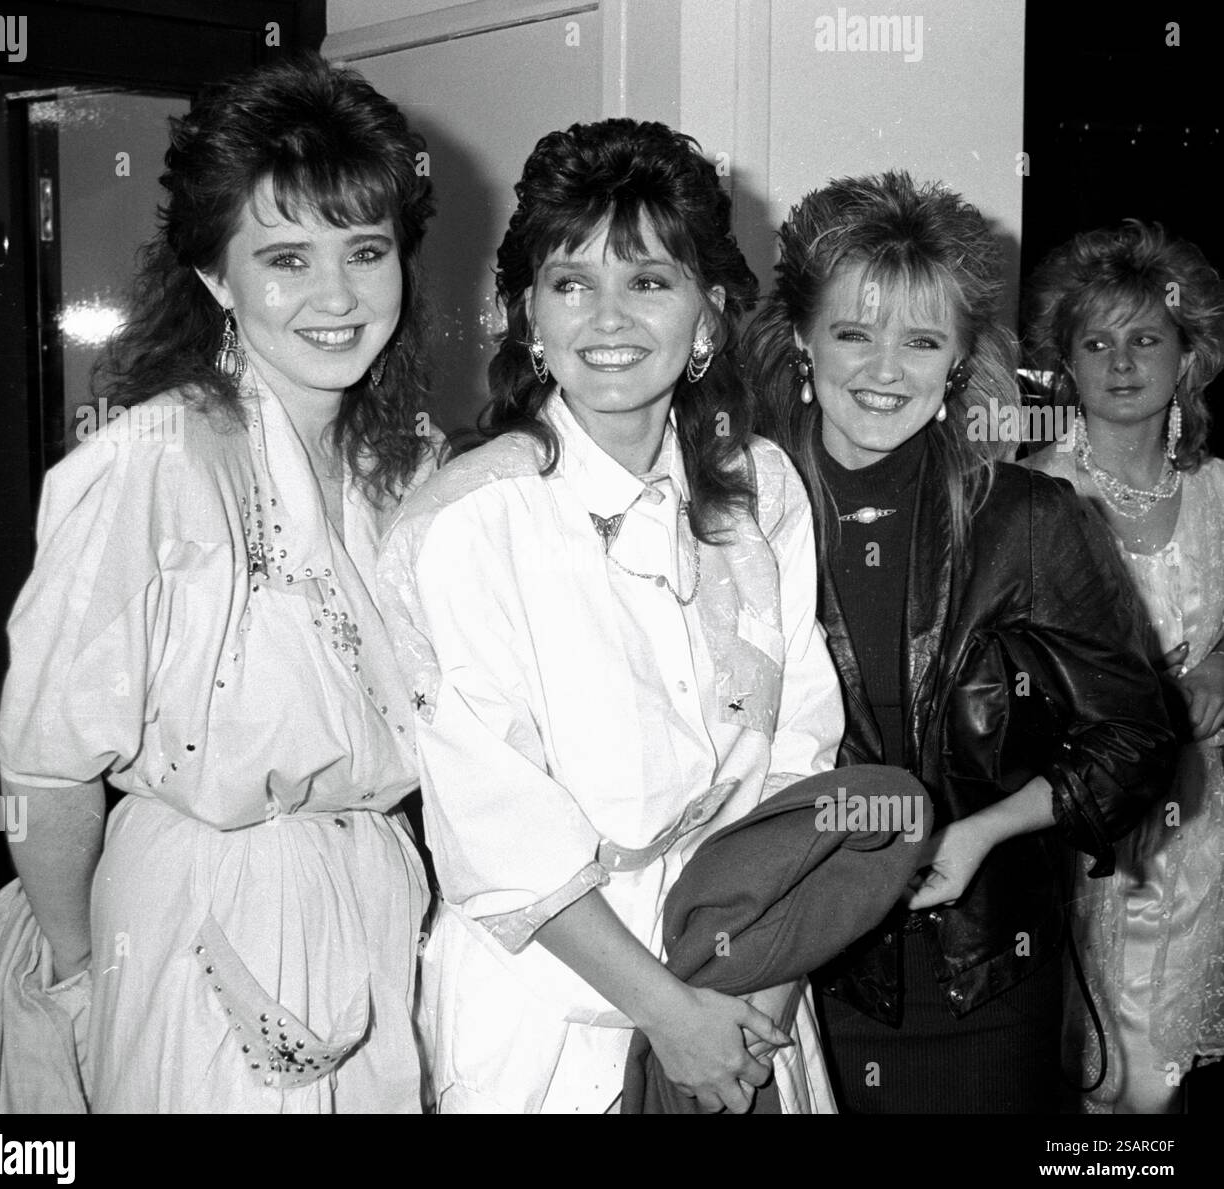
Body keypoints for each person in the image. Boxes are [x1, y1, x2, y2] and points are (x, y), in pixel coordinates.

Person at [0, 55, 439, 1113]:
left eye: (366, 251)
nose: (337, 296)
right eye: (286, 258)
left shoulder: (410, 466)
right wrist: (78, 975)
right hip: (205, 917)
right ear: (216, 276)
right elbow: (45, 767)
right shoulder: (151, 466)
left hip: (376, 902)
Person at [377, 118, 848, 1114]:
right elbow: (496, 832)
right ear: (526, 316)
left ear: (710, 314)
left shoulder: (761, 493)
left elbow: (805, 770)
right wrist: (672, 1016)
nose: (608, 317)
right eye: (570, 281)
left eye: (649, 280)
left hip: (748, 1001)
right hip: (549, 1027)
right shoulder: (468, 521)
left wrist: (751, 1010)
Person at [743, 170, 1178, 1113]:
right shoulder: (734, 513)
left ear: (957, 363)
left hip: (977, 982)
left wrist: (979, 833)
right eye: (853, 332)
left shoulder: (1025, 518)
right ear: (801, 342)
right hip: (787, 971)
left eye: (922, 340)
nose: (884, 369)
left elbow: (1138, 734)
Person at [1025, 219, 1224, 1113]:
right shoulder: (1031, 495)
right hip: (1073, 831)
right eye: (1095, 342)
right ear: (1066, 363)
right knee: (1085, 1072)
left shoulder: (1221, 492)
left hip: (1204, 832)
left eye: (1146, 338)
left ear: (1189, 356)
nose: (1121, 361)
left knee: (1159, 1075)